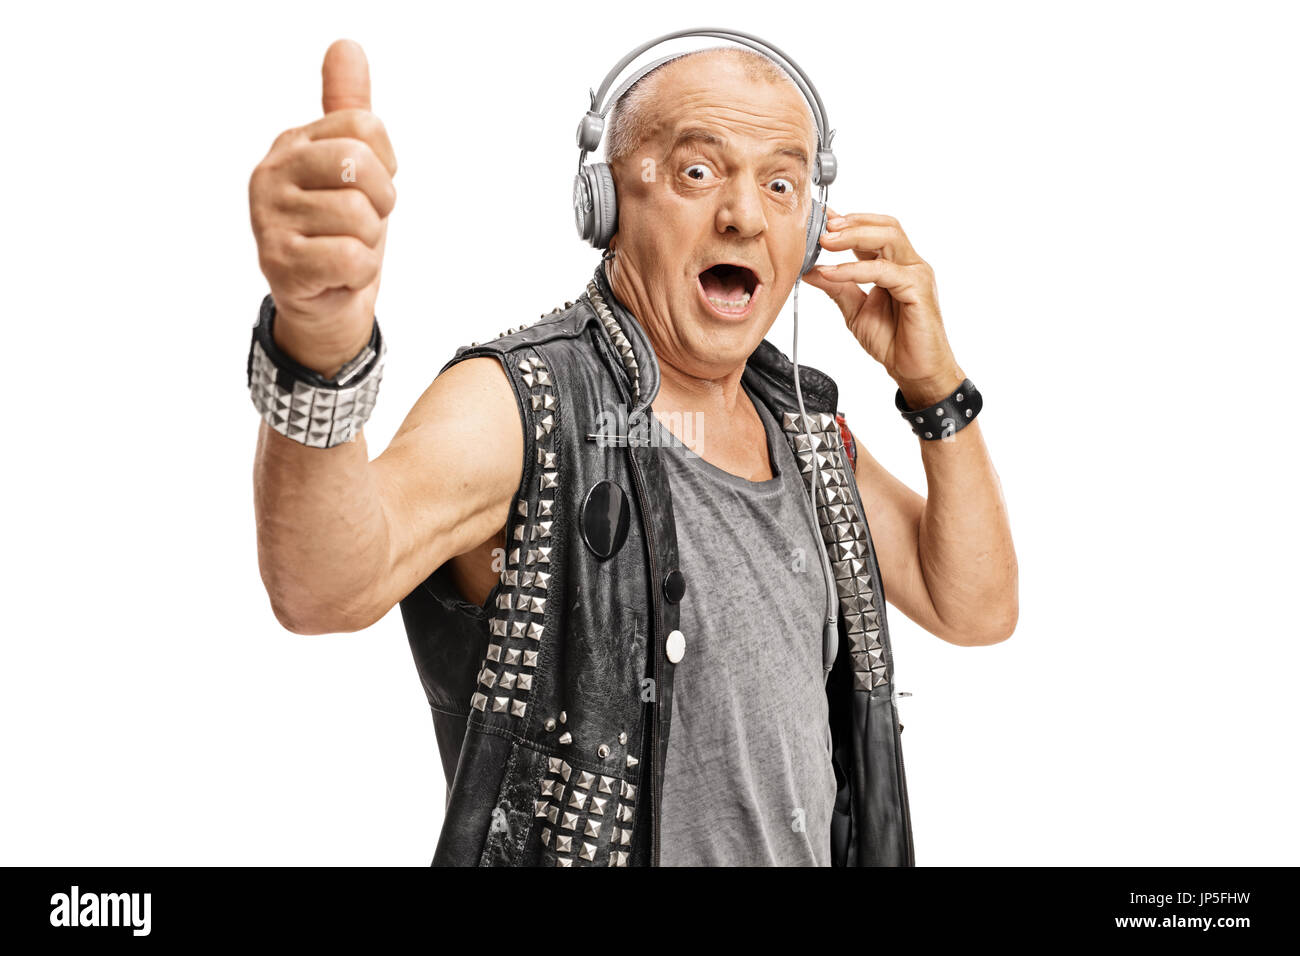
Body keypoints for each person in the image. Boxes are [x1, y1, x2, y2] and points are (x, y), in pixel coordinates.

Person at [247, 36, 1018, 867]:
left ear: (813, 229)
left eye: (782, 184)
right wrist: (320, 348)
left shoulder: (802, 426)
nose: (746, 215)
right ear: (605, 202)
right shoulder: (529, 403)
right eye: (698, 172)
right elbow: (324, 587)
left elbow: (973, 606)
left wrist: (936, 387)